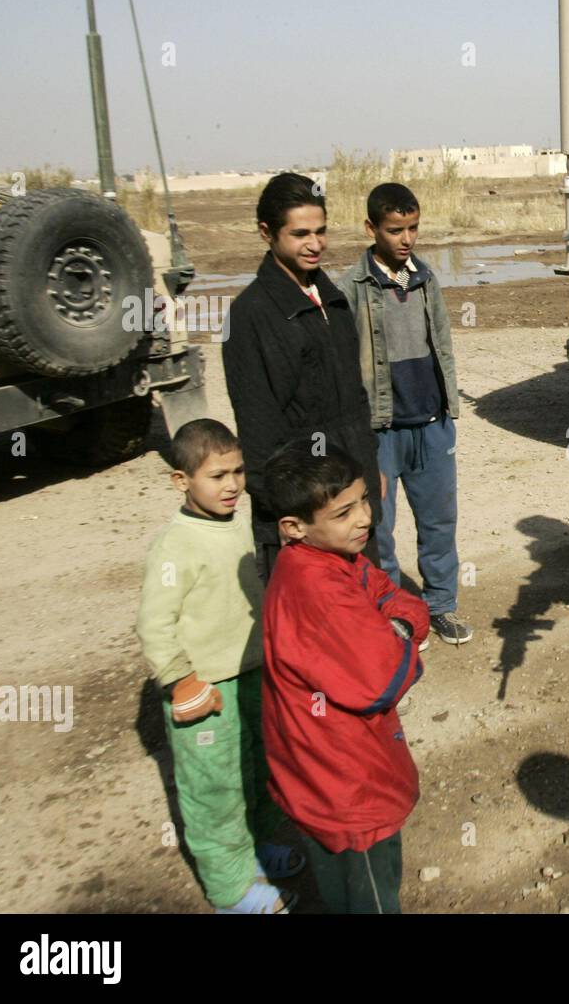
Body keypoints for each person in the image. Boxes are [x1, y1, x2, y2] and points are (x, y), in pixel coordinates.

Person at [135, 418, 304, 914]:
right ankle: (231, 887)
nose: (232, 485)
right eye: (217, 475)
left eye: (238, 472)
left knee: (262, 765)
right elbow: (154, 624)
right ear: (181, 481)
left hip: (254, 674)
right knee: (215, 786)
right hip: (206, 689)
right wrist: (179, 679)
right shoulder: (175, 545)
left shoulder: (238, 526)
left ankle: (261, 845)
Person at [261, 441, 429, 914]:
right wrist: (399, 633)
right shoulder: (318, 590)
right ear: (294, 528)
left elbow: (393, 597)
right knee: (367, 895)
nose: (363, 519)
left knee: (376, 876)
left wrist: (394, 624)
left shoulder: (334, 561)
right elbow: (382, 680)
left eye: (363, 501)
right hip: (342, 781)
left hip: (345, 768)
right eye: (342, 512)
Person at [222, 172, 383, 584]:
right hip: (308, 518)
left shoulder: (334, 298)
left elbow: (355, 397)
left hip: (353, 498)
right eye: (300, 234)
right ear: (266, 233)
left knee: (369, 614)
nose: (315, 244)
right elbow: (258, 430)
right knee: (318, 636)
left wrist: (369, 464)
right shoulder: (251, 315)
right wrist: (292, 516)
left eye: (321, 231)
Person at [337, 182, 471, 646]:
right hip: (381, 432)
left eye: (413, 228)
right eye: (396, 230)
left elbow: (443, 347)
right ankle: (391, 617)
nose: (407, 239)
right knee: (380, 531)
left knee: (439, 523)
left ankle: (441, 607)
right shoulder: (351, 288)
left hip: (432, 426)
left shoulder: (426, 279)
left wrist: (448, 409)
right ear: (371, 228)